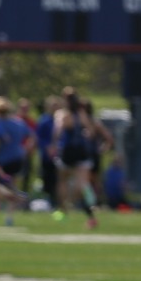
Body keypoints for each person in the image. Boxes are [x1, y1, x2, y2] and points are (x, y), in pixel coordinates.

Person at [51, 87, 108, 229]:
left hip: (67, 152)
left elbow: (57, 131)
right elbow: (90, 132)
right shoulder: (82, 114)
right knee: (83, 184)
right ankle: (91, 211)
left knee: (63, 181)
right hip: (82, 152)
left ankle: (63, 210)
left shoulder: (62, 114)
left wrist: (55, 144)